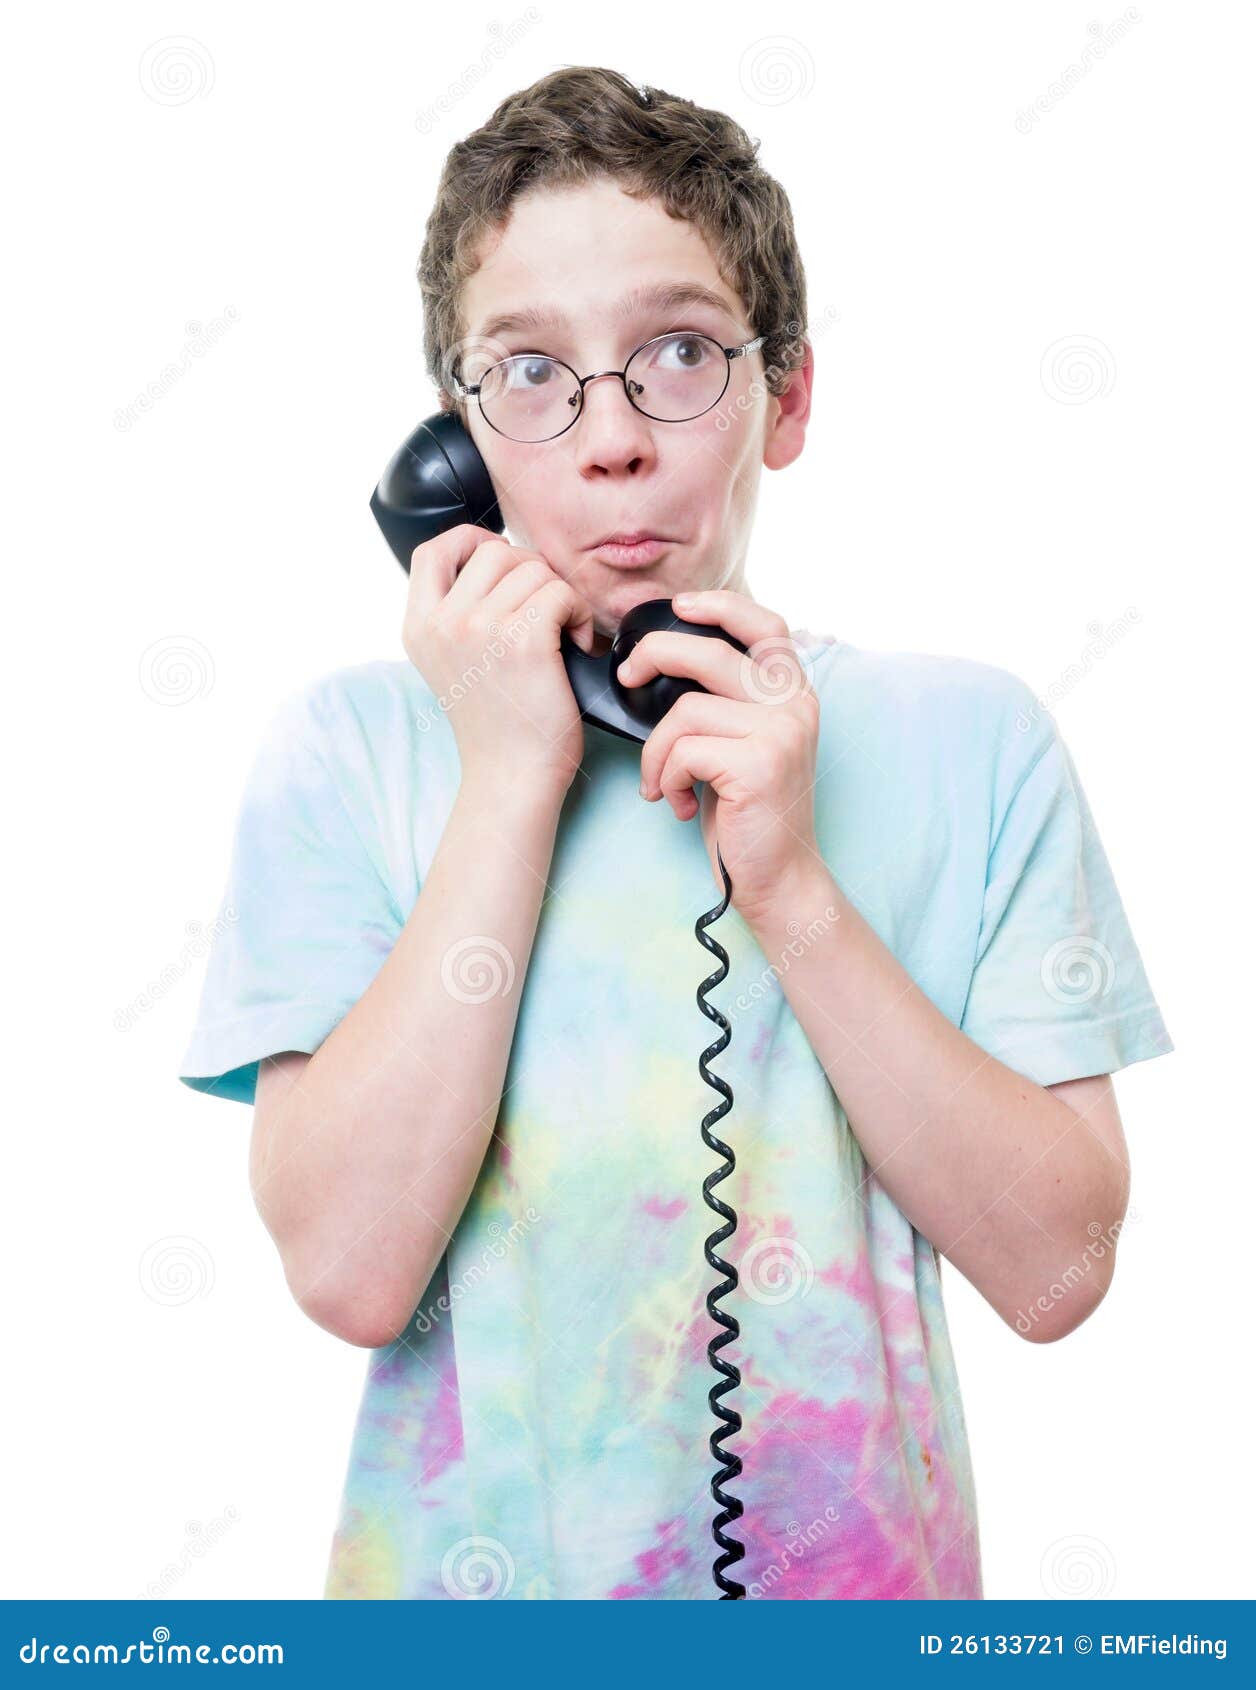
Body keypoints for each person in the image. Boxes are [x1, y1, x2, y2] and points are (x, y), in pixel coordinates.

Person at [177, 65, 1174, 1601]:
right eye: (529, 372)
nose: (612, 440)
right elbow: (350, 1268)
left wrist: (789, 887)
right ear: (453, 442)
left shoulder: (972, 742)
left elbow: (1058, 1275)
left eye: (680, 355)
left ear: (788, 397)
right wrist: (512, 775)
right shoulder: (351, 752)